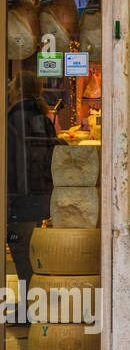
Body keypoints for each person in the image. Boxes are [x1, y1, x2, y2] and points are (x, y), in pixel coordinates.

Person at [6, 72, 58, 287]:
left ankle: (29, 308)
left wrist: (9, 196)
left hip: (21, 199)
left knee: (22, 254)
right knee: (31, 253)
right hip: (41, 195)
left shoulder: (13, 119)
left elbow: (12, 163)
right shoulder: (42, 117)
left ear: (17, 91)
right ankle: (32, 305)